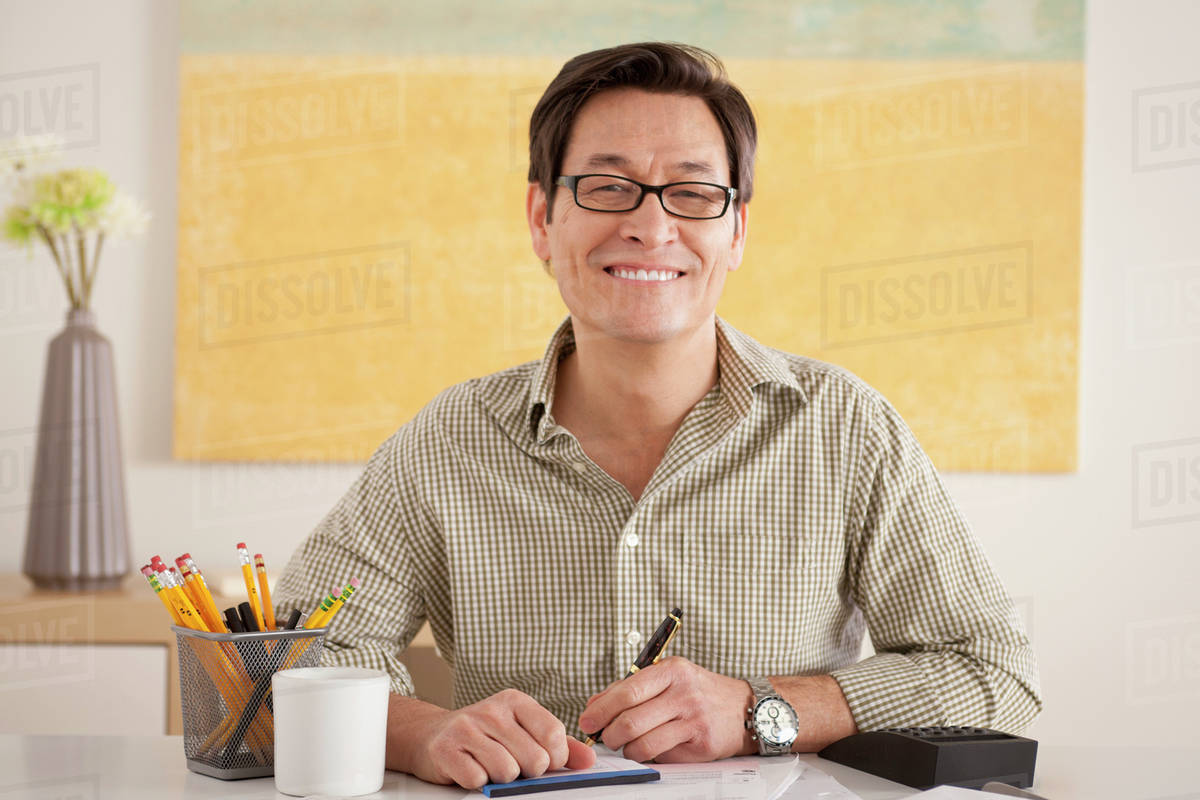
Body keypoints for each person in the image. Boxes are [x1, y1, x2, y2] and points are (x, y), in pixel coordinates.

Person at [274, 41, 1041, 790]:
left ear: (735, 228)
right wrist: (425, 733)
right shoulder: (452, 438)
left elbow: (993, 671)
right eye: (607, 186)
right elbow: (287, 663)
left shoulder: (843, 427)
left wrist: (763, 709)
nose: (650, 226)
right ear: (542, 218)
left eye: (693, 191)